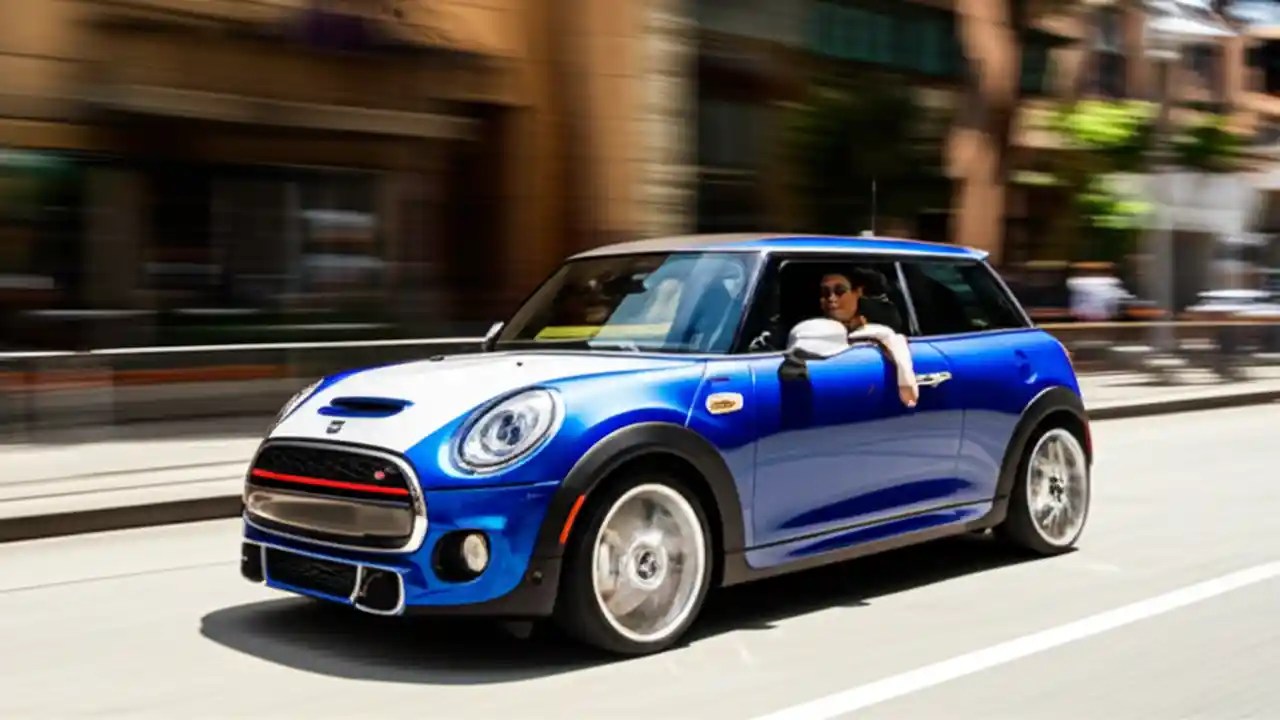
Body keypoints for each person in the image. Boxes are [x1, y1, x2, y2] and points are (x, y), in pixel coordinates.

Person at [818, 271, 919, 408]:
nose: (831, 298)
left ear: (857, 292)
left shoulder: (876, 330)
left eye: (840, 291)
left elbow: (893, 340)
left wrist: (905, 377)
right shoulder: (811, 330)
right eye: (825, 293)